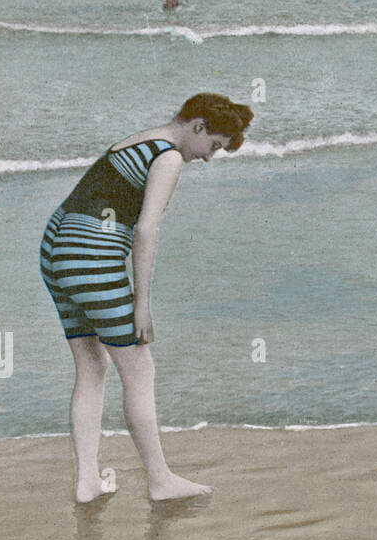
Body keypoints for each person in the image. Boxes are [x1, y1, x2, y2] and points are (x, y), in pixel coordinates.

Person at [39, 93, 253, 501]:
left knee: (91, 367)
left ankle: (87, 482)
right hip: (89, 254)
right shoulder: (168, 156)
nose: (209, 157)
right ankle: (159, 480)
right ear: (198, 127)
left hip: (56, 250)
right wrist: (142, 304)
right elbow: (145, 231)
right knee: (139, 369)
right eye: (214, 146)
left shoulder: (137, 139)